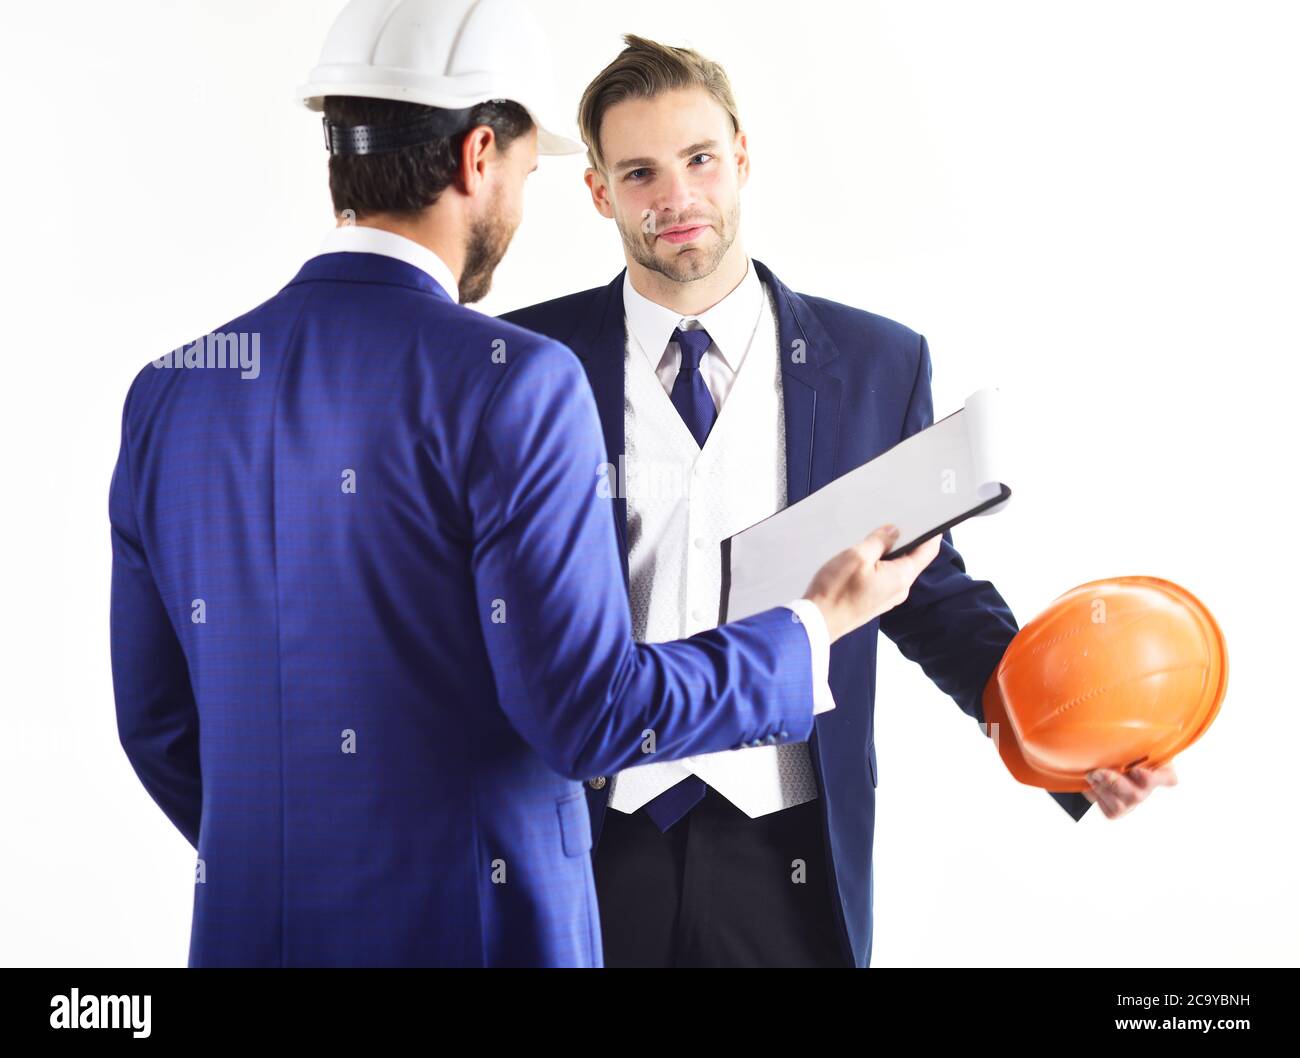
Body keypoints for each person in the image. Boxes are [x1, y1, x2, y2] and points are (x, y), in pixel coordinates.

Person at [108, 0, 940, 968]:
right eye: (522, 167)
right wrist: (807, 629)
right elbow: (588, 710)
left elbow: (159, 722)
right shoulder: (517, 375)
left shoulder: (175, 390)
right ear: (476, 158)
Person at [499, 34, 1176, 969]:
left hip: (788, 849)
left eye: (699, 159)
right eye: (641, 172)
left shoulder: (875, 362)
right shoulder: (524, 362)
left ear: (741, 155)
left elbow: (929, 594)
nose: (678, 197)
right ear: (600, 193)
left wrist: (1066, 738)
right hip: (582, 837)